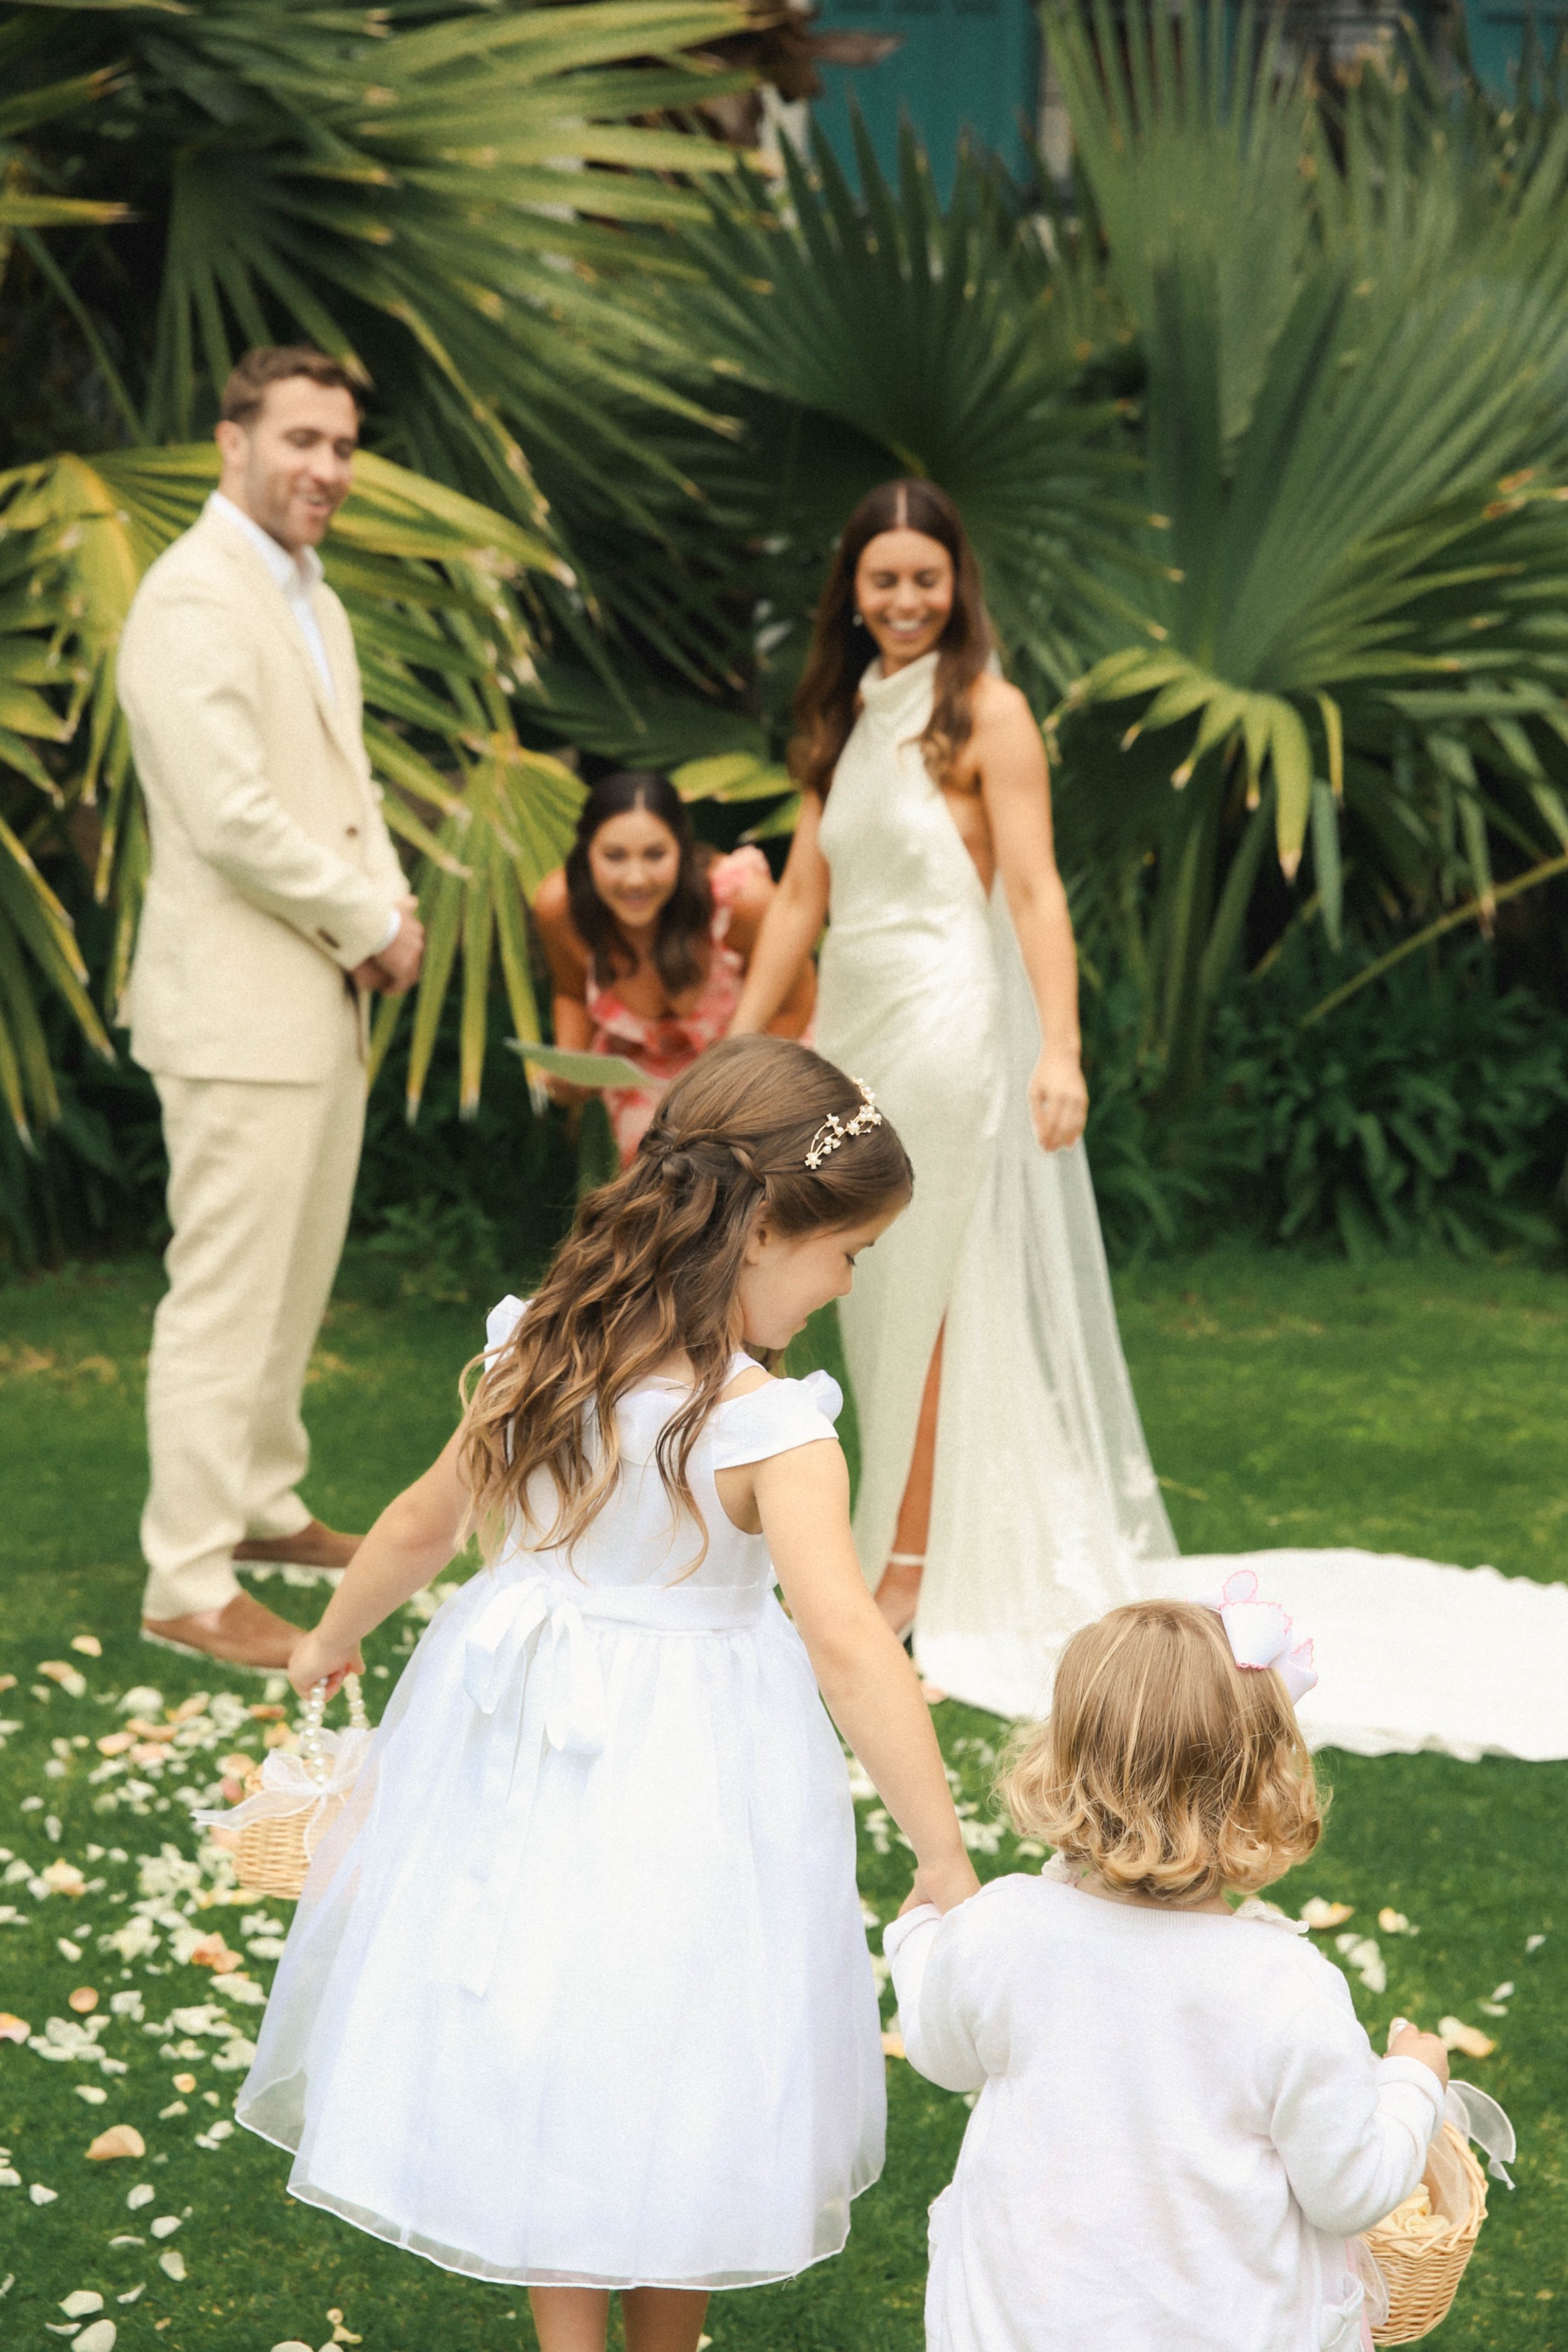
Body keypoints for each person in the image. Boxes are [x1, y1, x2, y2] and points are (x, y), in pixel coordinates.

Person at [234, 1037, 980, 2352]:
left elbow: (415, 1522)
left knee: (548, 2023)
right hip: (694, 1771)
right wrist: (941, 1852)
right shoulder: (769, 1429)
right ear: (760, 1232)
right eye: (849, 1252)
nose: (848, 1282)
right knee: (684, 2038)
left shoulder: (545, 1349)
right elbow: (850, 1645)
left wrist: (327, 1637)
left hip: (523, 1753)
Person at [730, 479, 1173, 1715]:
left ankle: (910, 1572)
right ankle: (885, 1538)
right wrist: (738, 1036)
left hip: (946, 1024)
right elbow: (803, 899)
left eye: (926, 577)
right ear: (852, 592)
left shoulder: (987, 712)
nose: (906, 599)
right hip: (850, 1030)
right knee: (862, 1301)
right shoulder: (837, 716)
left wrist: (1060, 1050)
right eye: (884, 579)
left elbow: (1032, 891)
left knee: (924, 1292)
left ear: (954, 583)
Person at [886, 1591, 1450, 2352]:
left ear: (1060, 1759)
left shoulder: (1002, 1926)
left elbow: (940, 2049)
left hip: (1019, 2324)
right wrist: (1413, 2083)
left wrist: (919, 1926)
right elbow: (1347, 2190)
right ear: (1262, 1785)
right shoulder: (1286, 1987)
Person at [116, 344, 425, 1671]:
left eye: (343, 446)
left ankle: (259, 1505)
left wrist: (390, 905)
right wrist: (370, 923)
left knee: (290, 1283)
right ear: (229, 441)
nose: (325, 469)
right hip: (236, 1010)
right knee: (226, 1295)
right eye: (301, 439)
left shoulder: (308, 595)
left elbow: (340, 788)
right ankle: (186, 1578)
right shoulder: (192, 599)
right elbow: (231, 817)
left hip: (311, 1007)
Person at [532, 768, 814, 1162]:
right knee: (658, 1183)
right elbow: (570, 992)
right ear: (586, 853)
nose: (635, 879)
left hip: (759, 1060)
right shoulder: (559, 908)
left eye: (655, 855)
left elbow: (798, 1006)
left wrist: (732, 1091)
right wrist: (571, 1065)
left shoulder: (742, 903)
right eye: (614, 856)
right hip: (649, 1082)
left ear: (682, 850)